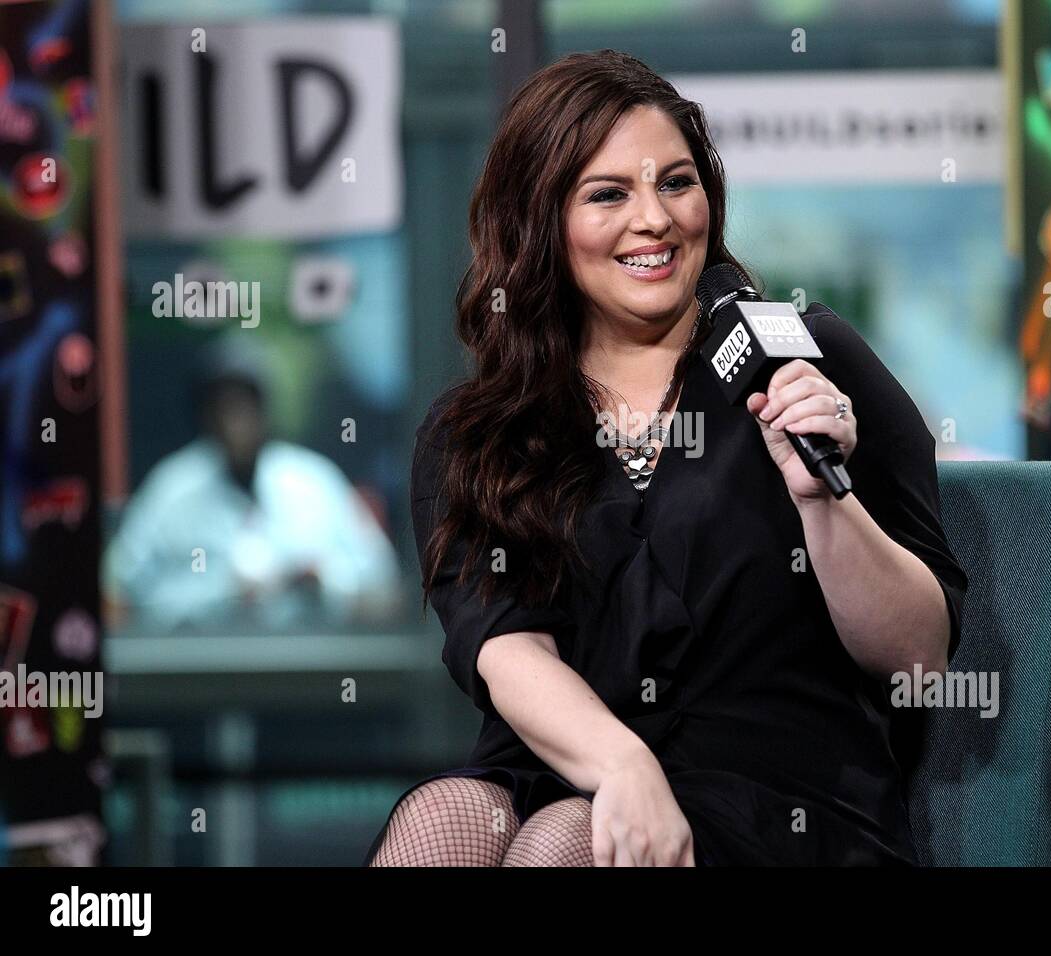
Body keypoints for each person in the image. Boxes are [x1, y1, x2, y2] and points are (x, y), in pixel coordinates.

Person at [366, 50, 966, 867]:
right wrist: (621, 764)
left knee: (564, 842)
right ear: (540, 221)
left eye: (676, 184)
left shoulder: (803, 358)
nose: (655, 218)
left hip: (780, 809)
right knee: (447, 820)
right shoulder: (479, 432)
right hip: (565, 767)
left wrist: (823, 501)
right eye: (608, 194)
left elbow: (918, 661)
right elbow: (506, 651)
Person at [102, 335, 402, 632]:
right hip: (200, 669)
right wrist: (212, 594)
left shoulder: (313, 482)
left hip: (306, 667)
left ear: (265, 407)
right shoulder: (173, 489)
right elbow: (114, 591)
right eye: (222, 403)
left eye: (246, 400)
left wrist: (323, 580)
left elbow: (387, 591)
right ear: (204, 413)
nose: (235, 417)